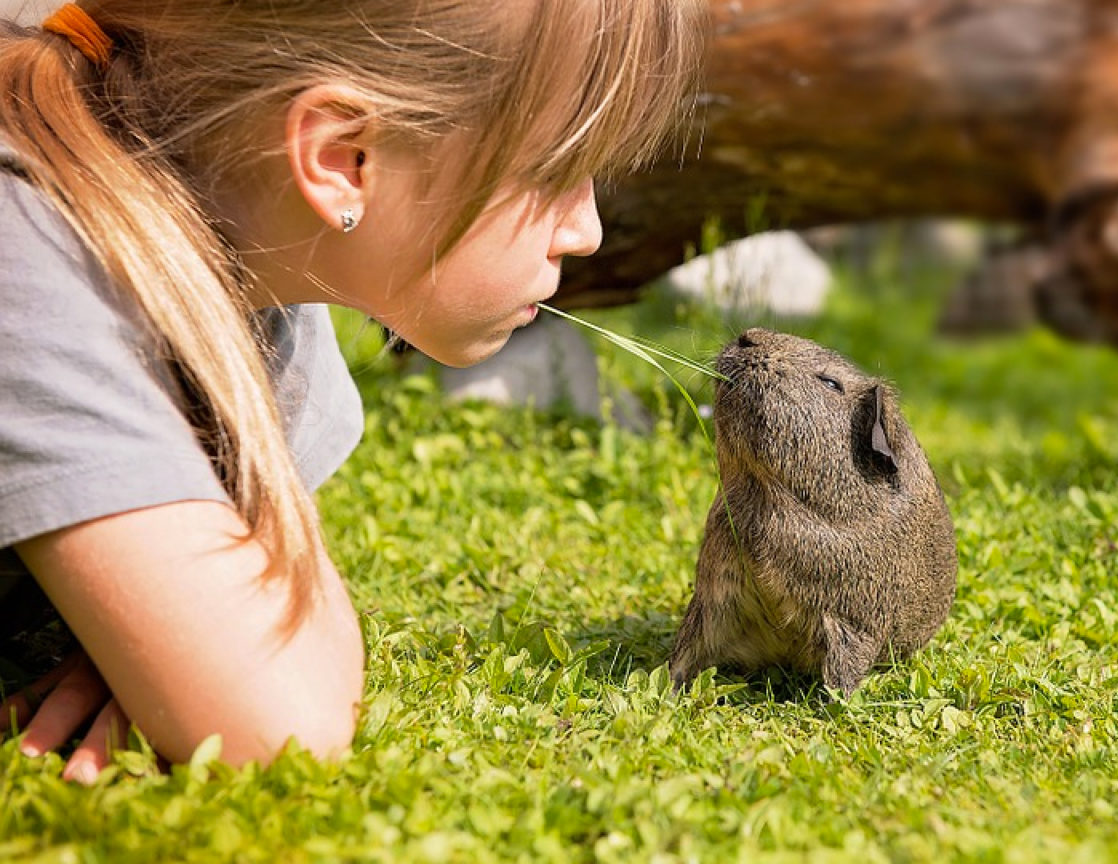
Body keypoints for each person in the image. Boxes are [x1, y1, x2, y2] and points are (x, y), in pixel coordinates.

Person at [0, 0, 705, 782]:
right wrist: (208, 649)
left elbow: (249, 622)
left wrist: (158, 634)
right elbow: (281, 724)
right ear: (342, 158)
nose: (587, 231)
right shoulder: (31, 258)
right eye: (555, 172)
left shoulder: (257, 261)